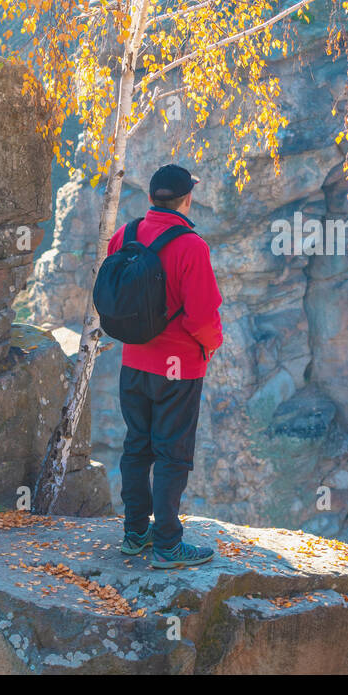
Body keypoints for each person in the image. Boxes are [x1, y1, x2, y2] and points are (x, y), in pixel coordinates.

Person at [106, 164, 223, 568]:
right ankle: (168, 546)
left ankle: (135, 533)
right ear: (187, 198)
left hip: (133, 363)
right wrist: (211, 347)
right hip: (178, 369)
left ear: (153, 197)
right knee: (172, 454)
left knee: (137, 447)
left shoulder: (126, 234)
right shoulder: (192, 246)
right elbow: (202, 317)